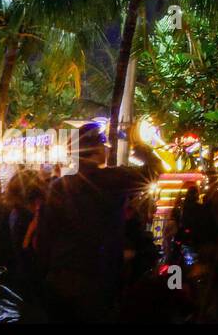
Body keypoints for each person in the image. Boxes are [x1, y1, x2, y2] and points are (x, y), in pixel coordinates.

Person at [35, 122, 162, 322]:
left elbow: (45, 235)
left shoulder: (59, 186)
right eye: (104, 145)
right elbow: (154, 169)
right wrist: (137, 143)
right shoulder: (112, 179)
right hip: (97, 275)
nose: (107, 149)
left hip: (62, 274)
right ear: (95, 150)